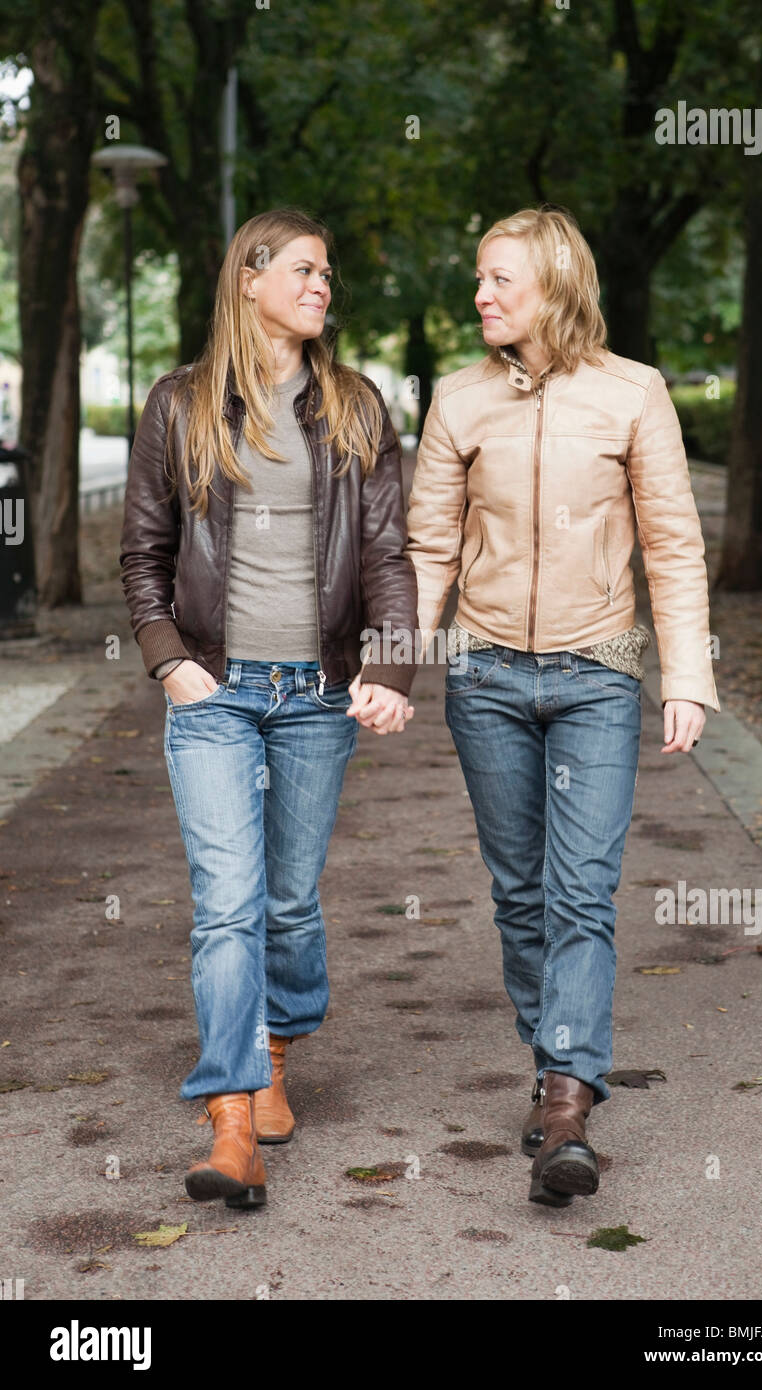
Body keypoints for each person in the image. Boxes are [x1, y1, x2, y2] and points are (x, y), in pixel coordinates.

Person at [404, 205, 720, 1209]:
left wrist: (686, 675)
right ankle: (554, 1060)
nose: (480, 295)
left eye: (499, 279)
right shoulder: (458, 400)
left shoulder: (632, 393)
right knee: (518, 893)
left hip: (595, 676)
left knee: (580, 890)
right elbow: (428, 552)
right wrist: (391, 665)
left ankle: (569, 1097)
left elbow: (671, 543)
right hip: (486, 678)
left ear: (552, 285)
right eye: (480, 279)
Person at [119, 207, 417, 1210]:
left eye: (329, 272)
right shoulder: (179, 405)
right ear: (248, 277)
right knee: (228, 899)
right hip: (213, 690)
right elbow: (143, 554)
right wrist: (168, 661)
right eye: (304, 268)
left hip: (317, 695)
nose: (323, 285)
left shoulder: (356, 408)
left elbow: (387, 556)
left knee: (287, 900)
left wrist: (392, 668)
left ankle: (278, 1048)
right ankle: (233, 1115)